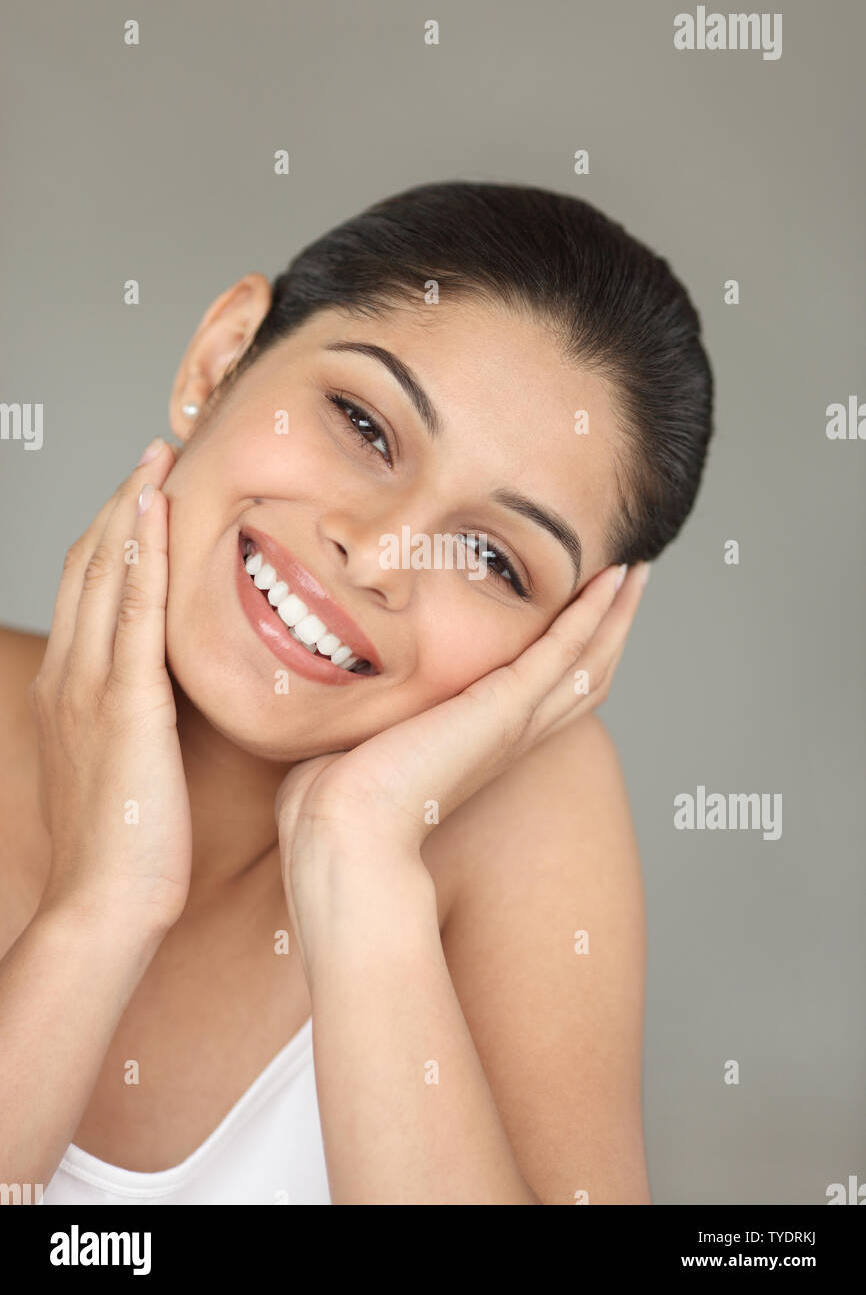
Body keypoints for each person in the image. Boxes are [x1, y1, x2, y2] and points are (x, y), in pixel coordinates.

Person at [0, 181, 713, 1205]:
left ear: (564, 646)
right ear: (221, 357)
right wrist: (100, 909)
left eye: (490, 558)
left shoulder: (528, 820)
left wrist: (358, 859)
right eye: (364, 426)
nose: (378, 553)